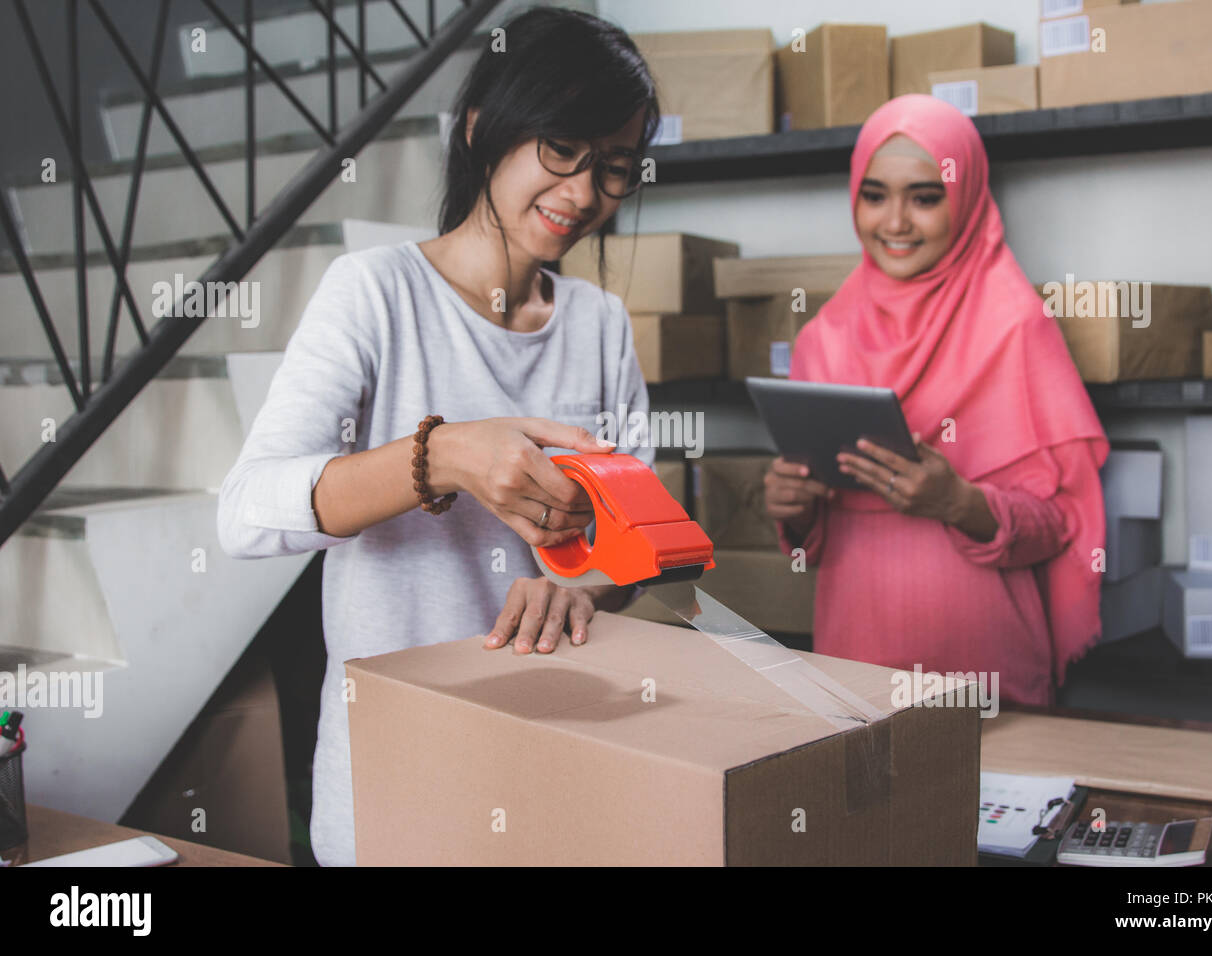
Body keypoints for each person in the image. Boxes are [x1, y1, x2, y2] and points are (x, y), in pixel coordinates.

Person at [217, 8, 660, 866]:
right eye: (562, 147)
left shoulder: (600, 324)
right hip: (398, 778)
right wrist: (443, 454)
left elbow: (645, 539)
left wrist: (587, 586)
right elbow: (245, 512)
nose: (582, 193)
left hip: (561, 760)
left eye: (614, 167)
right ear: (483, 128)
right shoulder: (375, 294)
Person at [764, 94, 1109, 708]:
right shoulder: (823, 337)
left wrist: (960, 503)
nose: (894, 222)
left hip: (987, 675)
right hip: (855, 664)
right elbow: (811, 545)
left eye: (925, 197)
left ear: (968, 197)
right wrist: (794, 509)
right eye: (874, 195)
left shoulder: (1016, 327)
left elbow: (1060, 526)